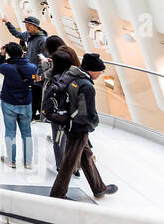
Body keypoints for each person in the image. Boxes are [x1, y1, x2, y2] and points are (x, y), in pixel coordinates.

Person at [49, 54, 119, 200]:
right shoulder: (86, 86)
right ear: (93, 70)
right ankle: (58, 193)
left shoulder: (71, 75)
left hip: (68, 122)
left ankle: (99, 187)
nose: (100, 74)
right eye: (100, 71)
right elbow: (87, 112)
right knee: (69, 161)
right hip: (78, 128)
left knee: (86, 157)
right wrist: (91, 125)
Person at [41, 34, 81, 168]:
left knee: (59, 140)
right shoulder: (79, 77)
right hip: (75, 113)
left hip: (59, 113)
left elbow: (48, 85)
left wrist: (46, 66)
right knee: (74, 139)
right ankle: (75, 166)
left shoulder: (57, 80)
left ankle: (61, 166)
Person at [0, 42, 38, 168]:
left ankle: (12, 161)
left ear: (9, 54)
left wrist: (2, 55)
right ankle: (28, 162)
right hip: (26, 102)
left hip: (9, 102)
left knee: (10, 132)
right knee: (27, 133)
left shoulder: (7, 67)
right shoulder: (32, 67)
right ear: (22, 52)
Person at [5, 15, 49, 121]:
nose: (26, 26)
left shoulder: (42, 40)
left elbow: (43, 58)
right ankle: (34, 115)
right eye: (26, 24)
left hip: (37, 72)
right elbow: (17, 34)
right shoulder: (29, 35)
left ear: (35, 26)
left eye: (28, 24)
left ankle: (34, 115)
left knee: (37, 93)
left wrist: (39, 73)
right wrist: (8, 23)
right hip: (30, 70)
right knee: (33, 92)